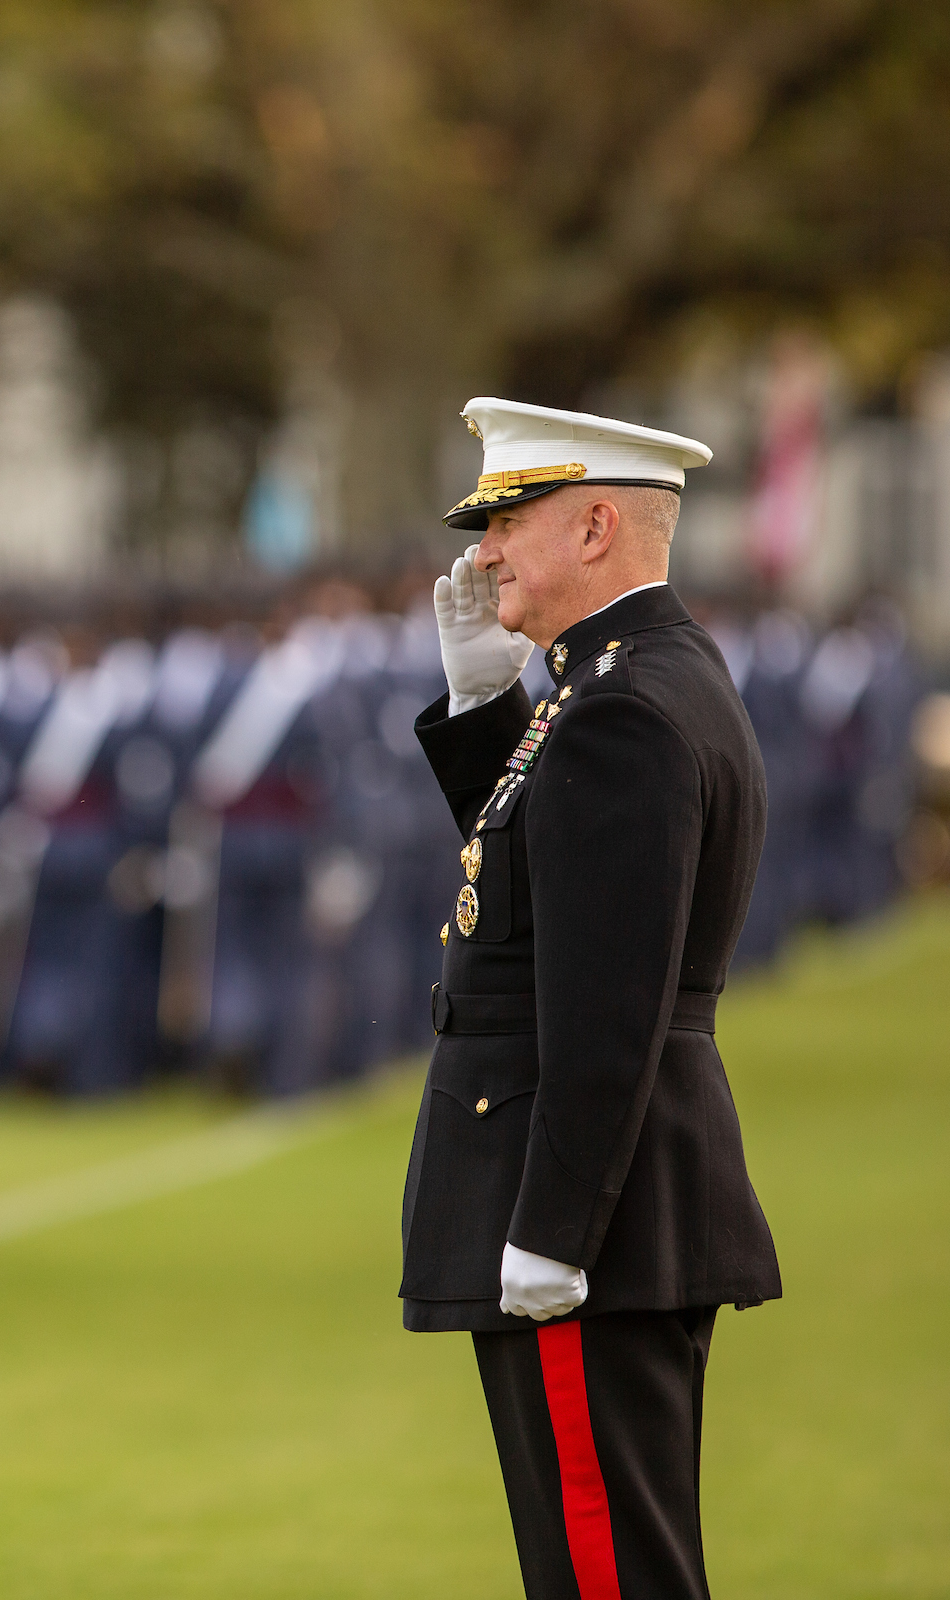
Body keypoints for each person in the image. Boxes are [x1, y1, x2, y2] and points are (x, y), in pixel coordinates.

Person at [408, 397, 781, 1599]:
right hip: (608, 1202)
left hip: (589, 1219)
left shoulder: (618, 705)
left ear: (596, 526)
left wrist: (555, 1225)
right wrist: (482, 711)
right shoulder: (618, 682)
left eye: (509, 520)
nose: (484, 552)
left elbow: (605, 995)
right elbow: (541, 889)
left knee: (605, 1573)